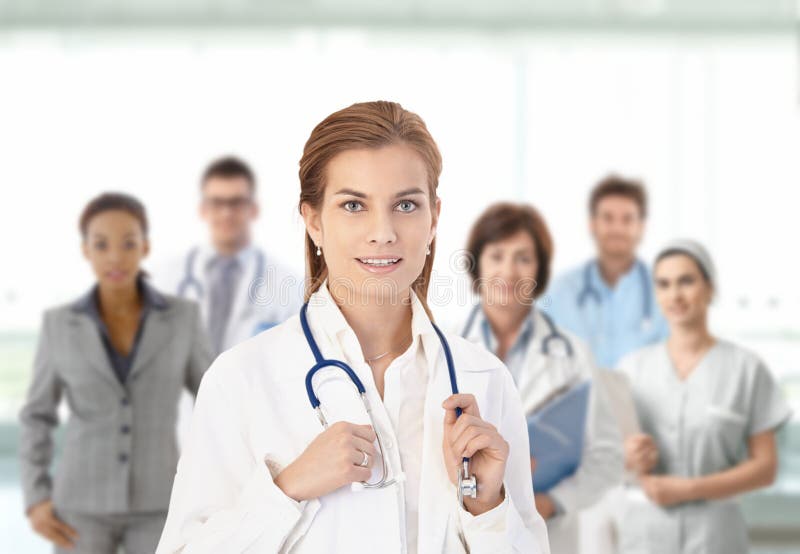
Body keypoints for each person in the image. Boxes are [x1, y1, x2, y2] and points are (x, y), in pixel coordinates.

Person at [156, 101, 550, 553]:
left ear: (434, 218)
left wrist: (487, 509)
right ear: (314, 222)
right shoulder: (240, 379)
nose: (382, 232)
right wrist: (287, 490)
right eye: (353, 205)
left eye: (405, 204)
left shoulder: (484, 379)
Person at [19, 193, 213, 554]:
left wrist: (216, 486)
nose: (114, 256)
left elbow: (216, 400)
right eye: (101, 244)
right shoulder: (59, 324)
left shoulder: (182, 318)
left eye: (128, 243)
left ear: (145, 246)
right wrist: (36, 497)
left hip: (160, 501)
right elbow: (37, 416)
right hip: (79, 506)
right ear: (85, 250)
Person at [458, 202, 622, 554]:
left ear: (540, 270)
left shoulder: (572, 354)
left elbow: (607, 455)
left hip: (547, 531)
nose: (508, 270)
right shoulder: (446, 348)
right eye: (497, 255)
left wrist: (553, 501)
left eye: (523, 258)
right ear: (478, 264)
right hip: (465, 529)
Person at [616, 239, 791, 554]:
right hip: (644, 533)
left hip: (716, 534)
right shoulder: (630, 369)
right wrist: (626, 458)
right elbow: (600, 459)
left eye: (687, 281)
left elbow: (766, 467)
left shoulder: (745, 369)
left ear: (710, 289)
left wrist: (689, 489)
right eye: (664, 284)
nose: (675, 295)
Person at [155, 156, 301, 356]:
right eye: (217, 203)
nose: (226, 213)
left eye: (236, 203)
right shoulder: (168, 277)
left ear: (254, 209)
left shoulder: (288, 285)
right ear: (203, 209)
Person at [547, 175, 669, 370]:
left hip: (646, 401)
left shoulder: (666, 291)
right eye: (608, 218)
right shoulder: (560, 292)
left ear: (641, 227)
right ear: (592, 224)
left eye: (627, 219)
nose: (617, 228)